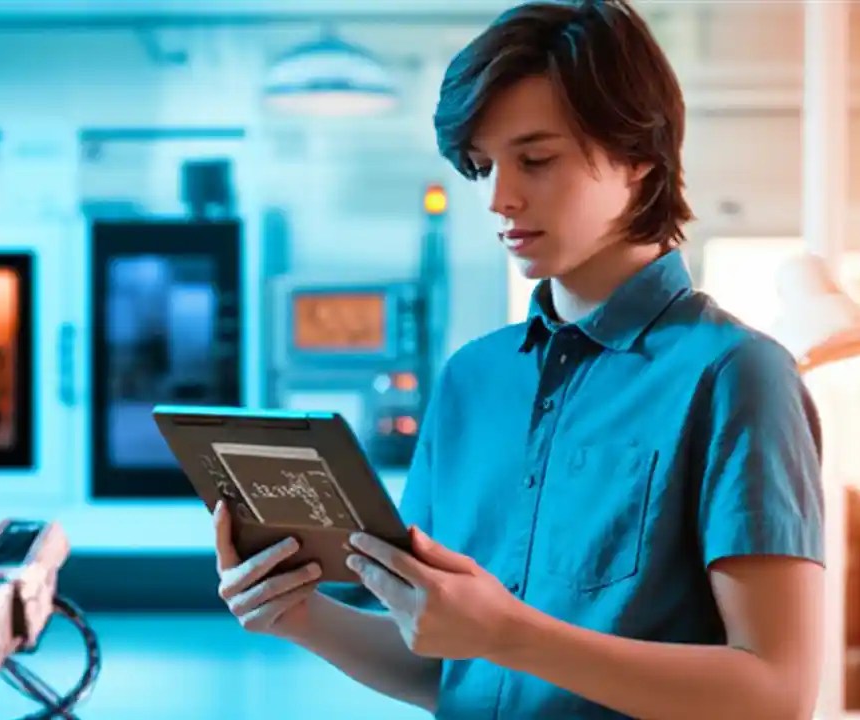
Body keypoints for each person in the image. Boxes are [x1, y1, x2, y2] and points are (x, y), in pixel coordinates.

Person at [211, 1, 826, 717]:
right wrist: (299, 615)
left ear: (638, 154)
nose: (499, 198)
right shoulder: (472, 379)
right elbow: (444, 669)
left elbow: (775, 695)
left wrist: (510, 636)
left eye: (536, 160)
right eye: (481, 167)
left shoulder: (736, 375)